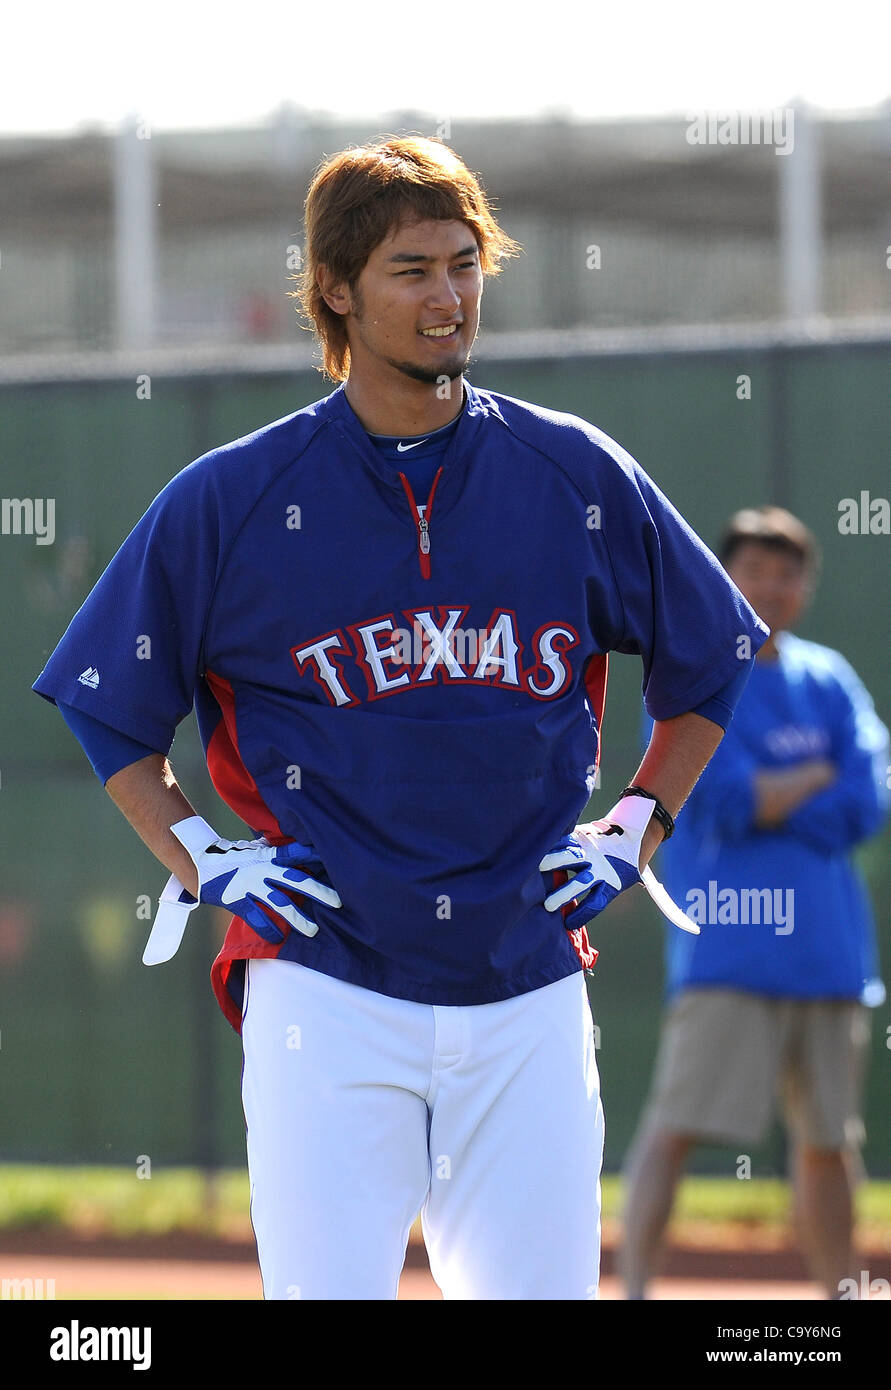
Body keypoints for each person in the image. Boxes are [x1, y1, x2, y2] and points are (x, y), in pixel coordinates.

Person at [32, 136, 767, 1301]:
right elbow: (108, 711)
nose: (449, 297)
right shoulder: (234, 496)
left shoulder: (570, 471)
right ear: (334, 288)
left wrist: (638, 823)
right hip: (324, 979)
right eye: (413, 270)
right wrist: (206, 857)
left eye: (465, 264)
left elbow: (716, 661)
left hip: (526, 969)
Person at [620, 505, 889, 1300]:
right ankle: (632, 1292)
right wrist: (813, 779)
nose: (770, 586)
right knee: (672, 1132)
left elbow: (866, 800)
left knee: (828, 1145)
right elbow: (722, 799)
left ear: (803, 585)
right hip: (726, 952)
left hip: (829, 957)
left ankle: (839, 1299)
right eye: (753, 570)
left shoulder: (831, 678)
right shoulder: (699, 675)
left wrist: (785, 792)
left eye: (786, 571)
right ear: (723, 578)